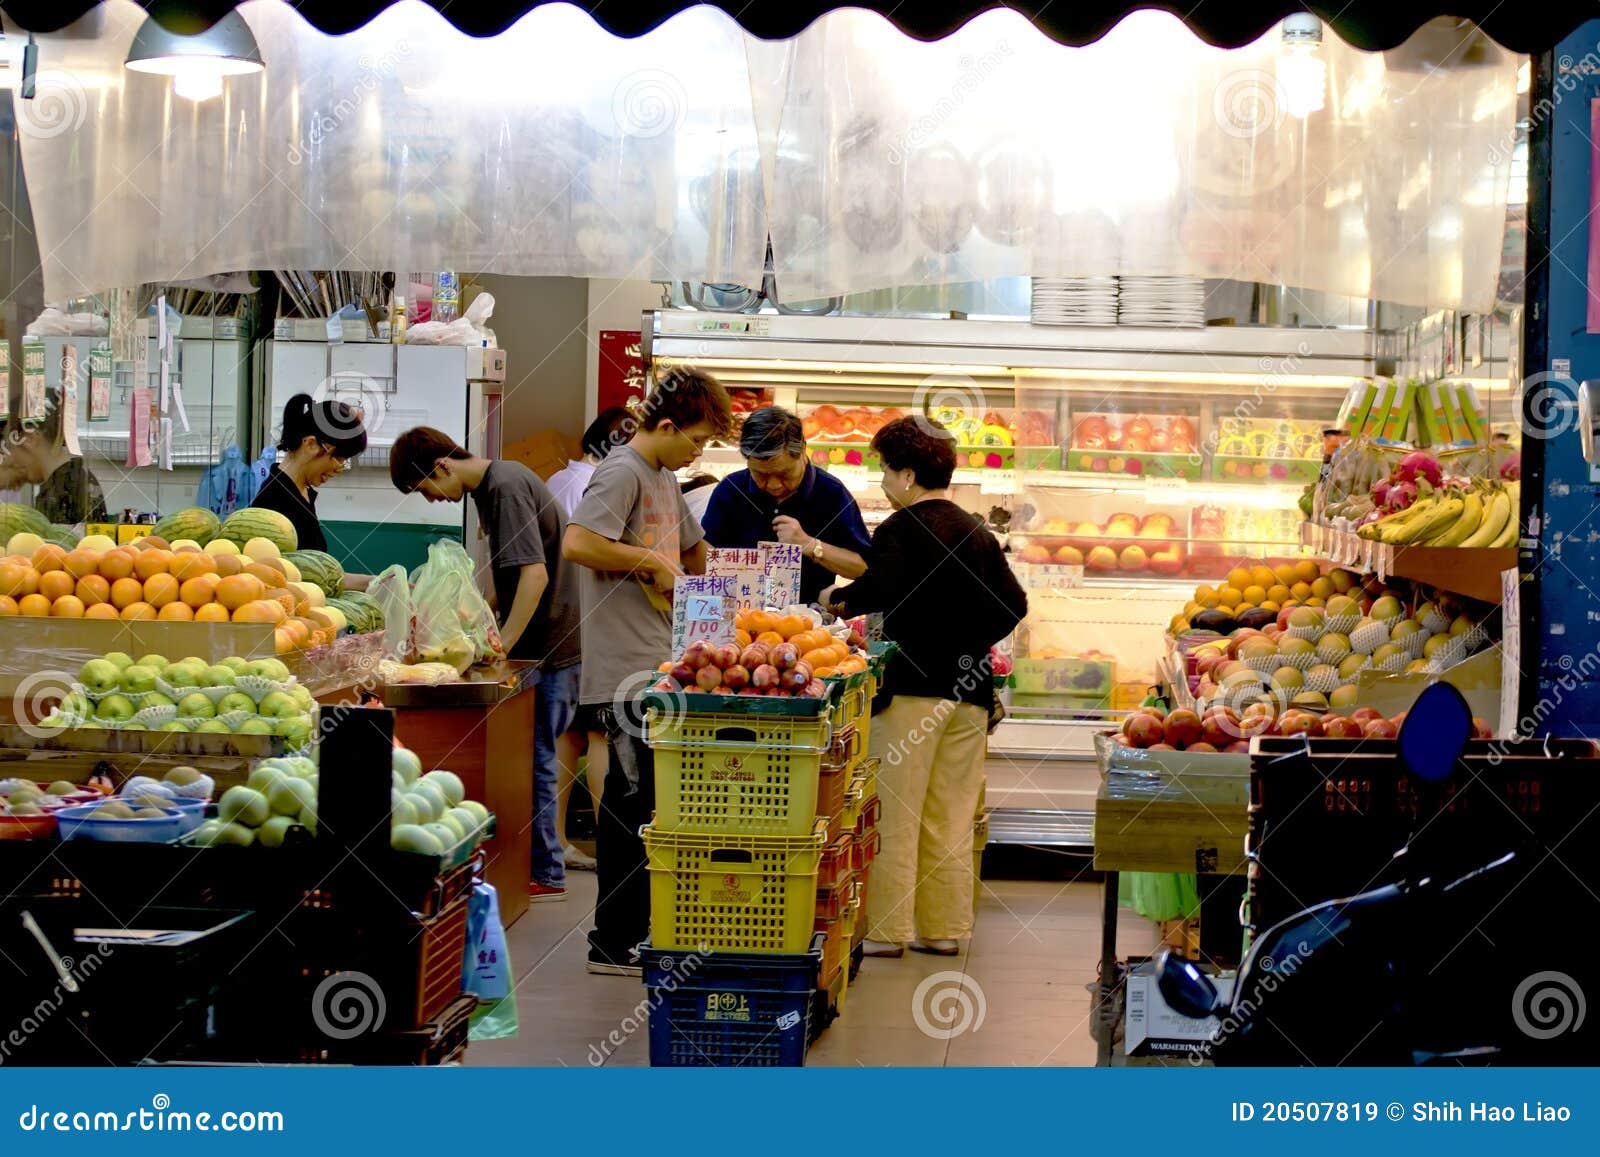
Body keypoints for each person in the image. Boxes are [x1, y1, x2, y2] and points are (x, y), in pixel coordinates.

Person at [830, 416, 1027, 958]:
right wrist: (967, 643)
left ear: (909, 475)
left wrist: (834, 601)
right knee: (951, 815)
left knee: (896, 811)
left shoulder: (901, 529)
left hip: (911, 691)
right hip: (968, 693)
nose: (883, 481)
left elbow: (878, 588)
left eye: (885, 470)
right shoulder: (977, 531)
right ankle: (942, 930)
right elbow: (1014, 605)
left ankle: (887, 931)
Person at [562, 366, 733, 975]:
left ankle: (641, 928)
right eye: (697, 440)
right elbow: (578, 543)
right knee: (629, 805)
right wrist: (650, 563)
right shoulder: (623, 471)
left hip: (660, 663)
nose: (698, 454)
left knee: (652, 805)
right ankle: (612, 940)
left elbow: (693, 546)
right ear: (664, 425)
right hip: (626, 669)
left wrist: (717, 592)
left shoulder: (661, 476)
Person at [389, 426, 583, 904]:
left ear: (442, 466)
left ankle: (546, 872)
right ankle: (536, 867)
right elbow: (512, 573)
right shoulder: (493, 485)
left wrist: (502, 644)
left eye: (425, 489)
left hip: (549, 645)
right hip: (547, 643)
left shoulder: (505, 487)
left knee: (538, 760)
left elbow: (534, 576)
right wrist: (477, 615)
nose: (432, 500)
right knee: (533, 758)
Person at [545, 406, 631, 872]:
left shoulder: (559, 480)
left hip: (558, 619)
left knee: (568, 732)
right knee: (601, 731)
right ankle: (607, 841)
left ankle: (556, 839)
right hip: (595, 620)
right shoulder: (604, 485)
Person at [699, 406, 871, 604]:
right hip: (737, 616)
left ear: (803, 450)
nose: (774, 485)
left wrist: (810, 545)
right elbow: (703, 559)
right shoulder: (731, 490)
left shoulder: (832, 493)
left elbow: (863, 568)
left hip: (806, 620)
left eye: (784, 474)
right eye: (761, 475)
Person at [253, 393, 372, 589]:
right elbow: (286, 581)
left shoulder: (302, 492)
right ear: (310, 444)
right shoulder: (273, 503)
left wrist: (377, 583)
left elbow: (319, 575)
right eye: (339, 458)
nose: (339, 469)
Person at [4, 400, 107, 525]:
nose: (7, 459)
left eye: (8, 447)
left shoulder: (62, 489)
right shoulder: (74, 477)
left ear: (30, 439)